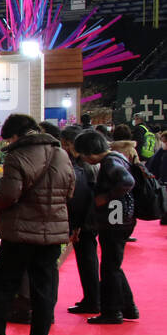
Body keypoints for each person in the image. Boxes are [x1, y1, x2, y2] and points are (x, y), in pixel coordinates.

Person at [0, 113, 74, 335]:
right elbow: (71, 188)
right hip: (52, 235)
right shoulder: (61, 154)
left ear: (15, 135)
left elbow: (9, 194)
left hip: (19, 234)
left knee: (4, 285)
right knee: (44, 289)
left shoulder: (17, 156)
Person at [74, 130, 138, 324]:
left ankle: (112, 311)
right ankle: (127, 307)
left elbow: (127, 182)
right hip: (120, 217)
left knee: (110, 267)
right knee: (113, 265)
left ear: (89, 152)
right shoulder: (117, 158)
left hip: (116, 219)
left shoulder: (110, 162)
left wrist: (106, 197)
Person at [61, 124, 100, 315]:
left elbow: (84, 199)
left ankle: (93, 300)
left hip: (86, 222)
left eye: (65, 144)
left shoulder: (84, 167)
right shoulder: (84, 166)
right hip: (87, 221)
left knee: (88, 261)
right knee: (87, 261)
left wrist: (78, 226)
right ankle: (92, 298)